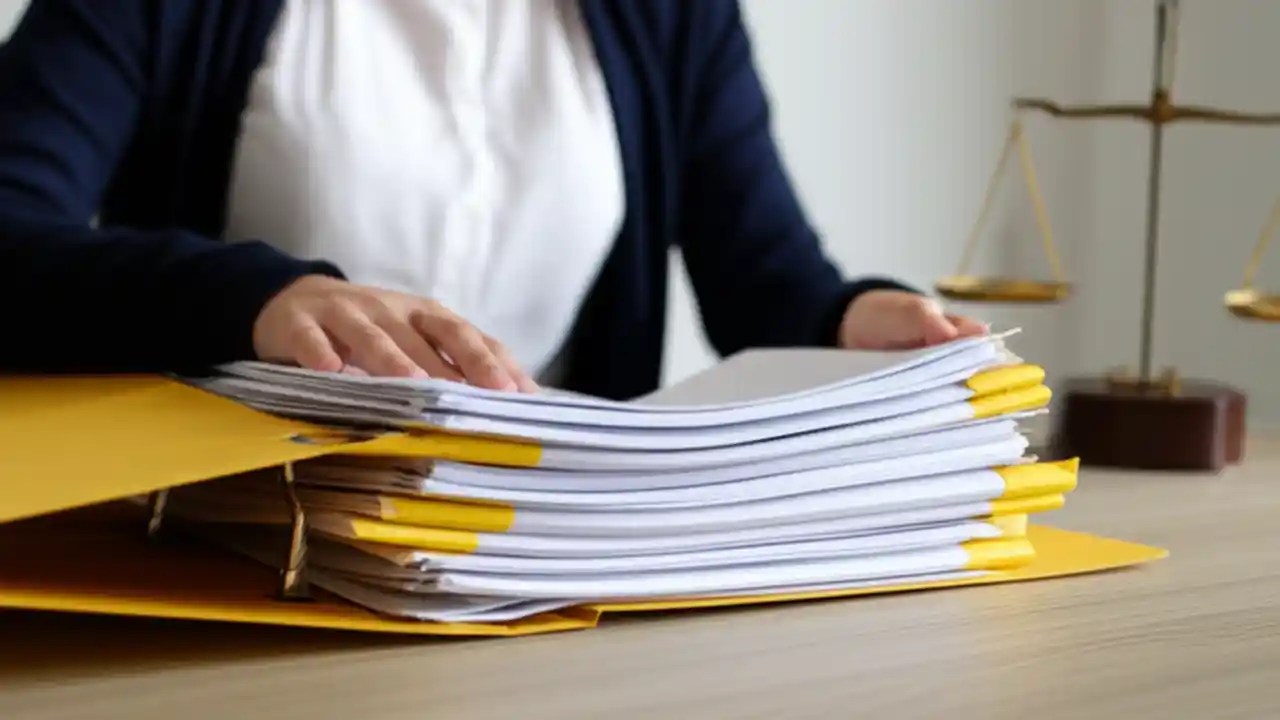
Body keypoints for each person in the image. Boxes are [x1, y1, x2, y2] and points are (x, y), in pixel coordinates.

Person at [0, 0, 985, 400]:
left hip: (547, 564)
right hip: (246, 548)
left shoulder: (669, 12)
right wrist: (256, 297)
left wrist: (847, 318)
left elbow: (763, 281)